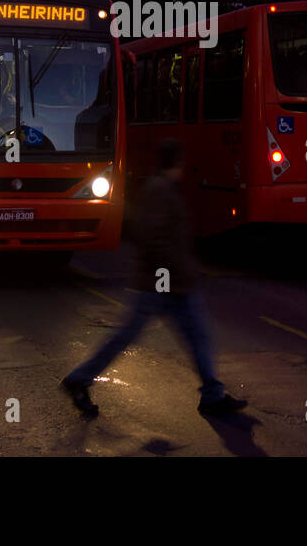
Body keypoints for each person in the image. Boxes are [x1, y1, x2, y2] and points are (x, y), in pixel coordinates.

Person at [61, 138, 248, 418]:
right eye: (182, 162)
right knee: (139, 336)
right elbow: (155, 239)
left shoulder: (161, 188)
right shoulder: (160, 191)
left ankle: (212, 393)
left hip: (169, 283)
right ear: (177, 162)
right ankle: (80, 378)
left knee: (193, 336)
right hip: (163, 284)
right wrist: (178, 272)